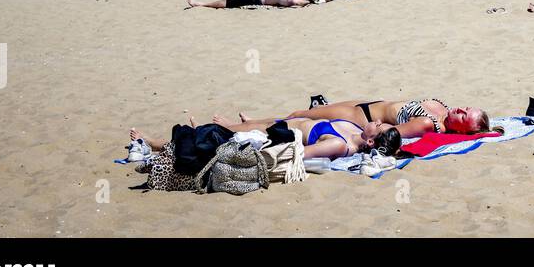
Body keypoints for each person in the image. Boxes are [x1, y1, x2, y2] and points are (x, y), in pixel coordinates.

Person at [148, 114, 401, 161]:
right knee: (220, 129)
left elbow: (299, 155)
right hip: (280, 125)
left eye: (378, 127)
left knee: (213, 136)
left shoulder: (339, 144)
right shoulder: (354, 129)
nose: (377, 121)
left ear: (370, 142)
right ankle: (203, 128)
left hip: (274, 137)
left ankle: (157, 144)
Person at [280, 97, 491, 141]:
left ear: (461, 131)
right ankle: (257, 122)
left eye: (464, 116)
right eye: (466, 108)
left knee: (299, 115)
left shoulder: (429, 124)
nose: (460, 110)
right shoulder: (443, 110)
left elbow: (394, 132)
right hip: (370, 102)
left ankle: (256, 124)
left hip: (361, 116)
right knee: (314, 110)